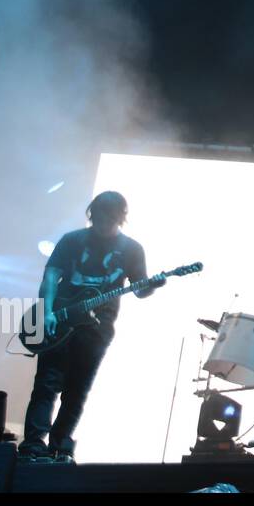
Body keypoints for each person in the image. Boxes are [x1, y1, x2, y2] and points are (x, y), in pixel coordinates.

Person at [20, 191, 162, 461]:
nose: (104, 223)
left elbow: (141, 290)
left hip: (98, 328)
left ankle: (59, 446)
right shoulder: (72, 241)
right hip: (60, 321)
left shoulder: (132, 249)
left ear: (120, 218)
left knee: (77, 390)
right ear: (92, 214)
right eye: (99, 217)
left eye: (110, 218)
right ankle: (33, 445)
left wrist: (153, 285)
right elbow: (50, 276)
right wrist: (47, 311)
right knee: (46, 383)